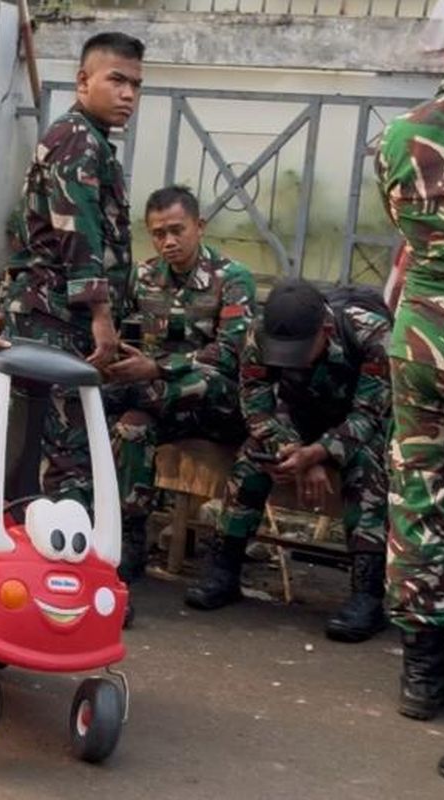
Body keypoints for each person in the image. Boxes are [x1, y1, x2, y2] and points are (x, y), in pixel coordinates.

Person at [184, 280, 393, 644]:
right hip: (300, 417)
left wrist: (320, 452)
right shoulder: (258, 332)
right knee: (252, 457)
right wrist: (290, 449)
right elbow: (257, 403)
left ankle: (367, 596)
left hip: (360, 425)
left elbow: (370, 414)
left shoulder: (371, 333)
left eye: (298, 350)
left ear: (325, 331)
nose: (289, 360)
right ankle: (224, 569)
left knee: (368, 469)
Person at [0, 31, 143, 505]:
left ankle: (40, 548)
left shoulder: (90, 139)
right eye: (117, 80)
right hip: (55, 317)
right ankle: (57, 565)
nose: (128, 94)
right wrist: (101, 313)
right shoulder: (78, 138)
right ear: (84, 80)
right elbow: (76, 229)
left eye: (136, 85)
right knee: (66, 452)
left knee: (51, 446)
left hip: (58, 314)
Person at [376, 0, 444, 723]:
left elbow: (406, 227)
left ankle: (422, 669)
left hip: (421, 339)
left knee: (421, 498)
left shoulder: (402, 135)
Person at [106, 185, 255, 583]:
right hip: (161, 402)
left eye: (177, 229)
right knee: (130, 428)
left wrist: (157, 368)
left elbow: (230, 355)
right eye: (158, 233)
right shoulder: (144, 277)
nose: (168, 241)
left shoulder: (232, 278)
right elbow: (124, 335)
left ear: (199, 226)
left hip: (216, 402)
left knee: (198, 380)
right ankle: (128, 541)